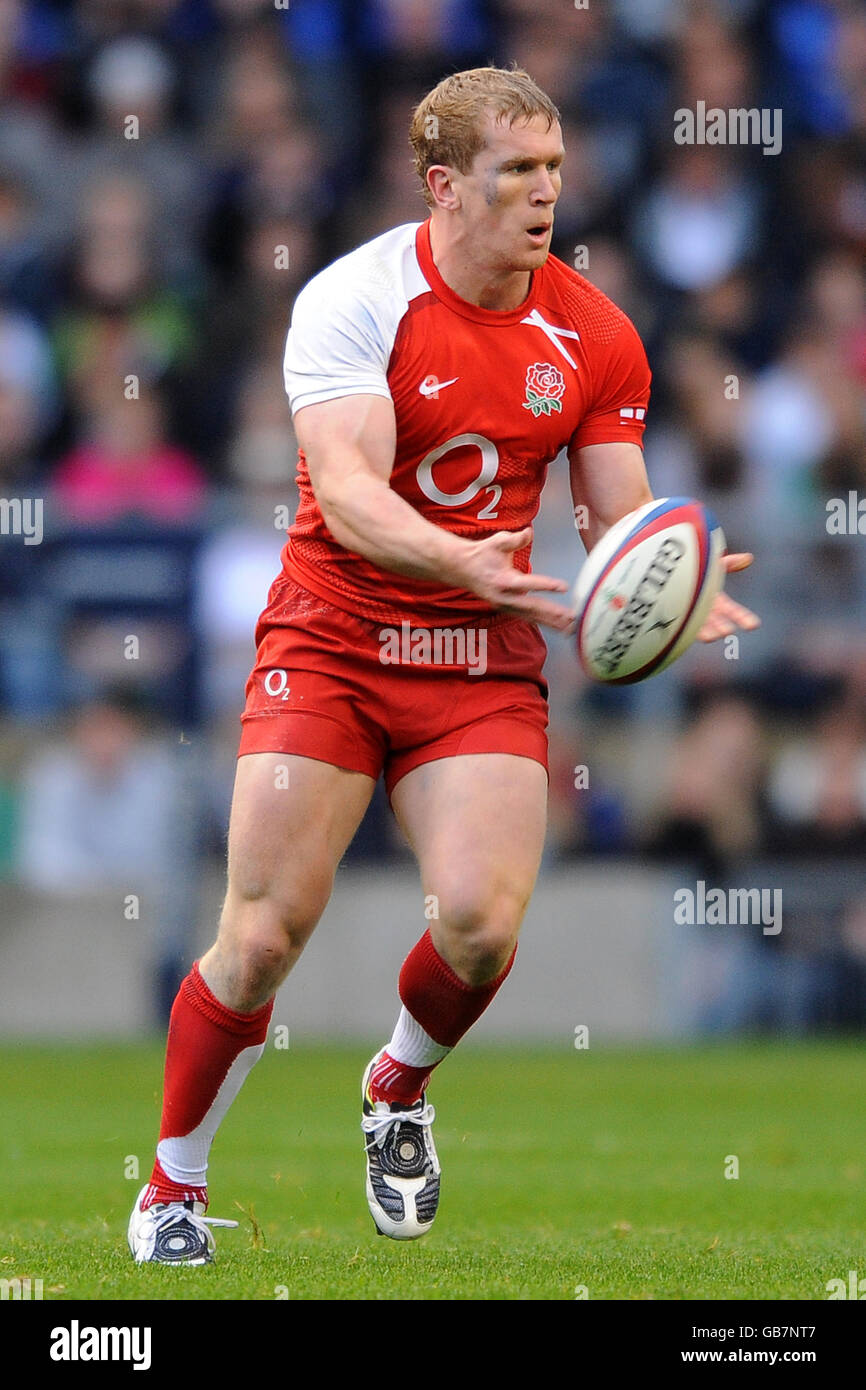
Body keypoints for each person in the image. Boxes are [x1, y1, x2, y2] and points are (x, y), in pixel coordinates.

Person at [128, 66, 758, 1264]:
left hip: (476, 659)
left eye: (555, 169)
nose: (543, 194)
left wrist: (662, 590)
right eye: (515, 171)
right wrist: (465, 563)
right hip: (333, 638)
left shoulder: (594, 332)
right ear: (442, 186)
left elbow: (617, 520)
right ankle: (170, 1187)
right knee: (262, 935)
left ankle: (397, 1090)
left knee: (476, 923)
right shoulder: (352, 300)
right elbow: (352, 498)